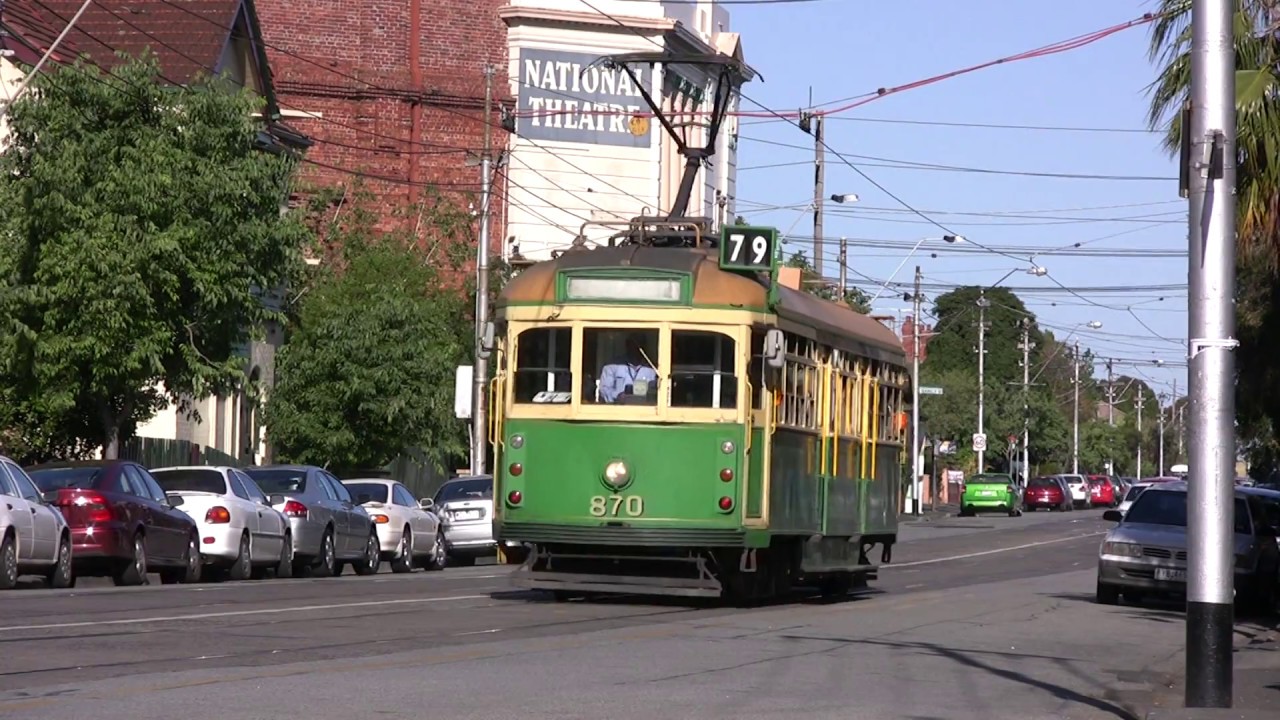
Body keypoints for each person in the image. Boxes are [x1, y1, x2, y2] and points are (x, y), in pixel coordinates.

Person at [599, 334, 657, 403]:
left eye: (640, 345)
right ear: (627, 345)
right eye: (633, 344)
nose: (636, 348)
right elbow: (604, 389)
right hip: (618, 409)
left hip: (644, 410)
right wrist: (617, 396)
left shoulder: (652, 369)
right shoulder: (612, 366)